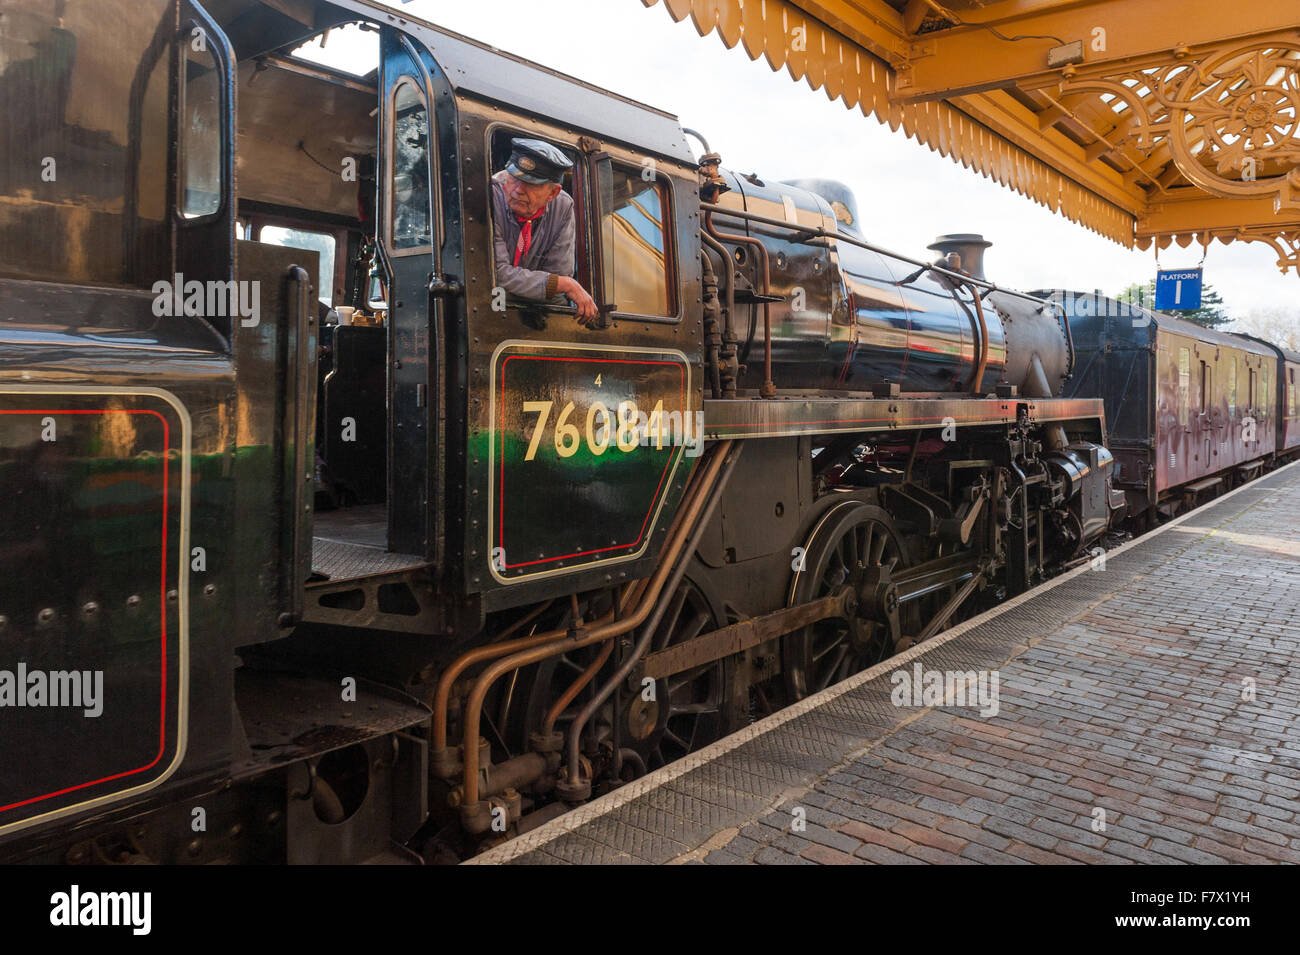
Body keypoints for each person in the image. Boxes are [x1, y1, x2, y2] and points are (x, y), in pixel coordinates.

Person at [491, 138, 599, 325]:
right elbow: (497, 272)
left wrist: (557, 284)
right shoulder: (490, 193)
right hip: (494, 304)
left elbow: (557, 273)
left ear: (553, 193)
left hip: (533, 311)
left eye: (530, 184)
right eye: (514, 178)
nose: (517, 190)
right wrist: (564, 283)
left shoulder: (563, 207)